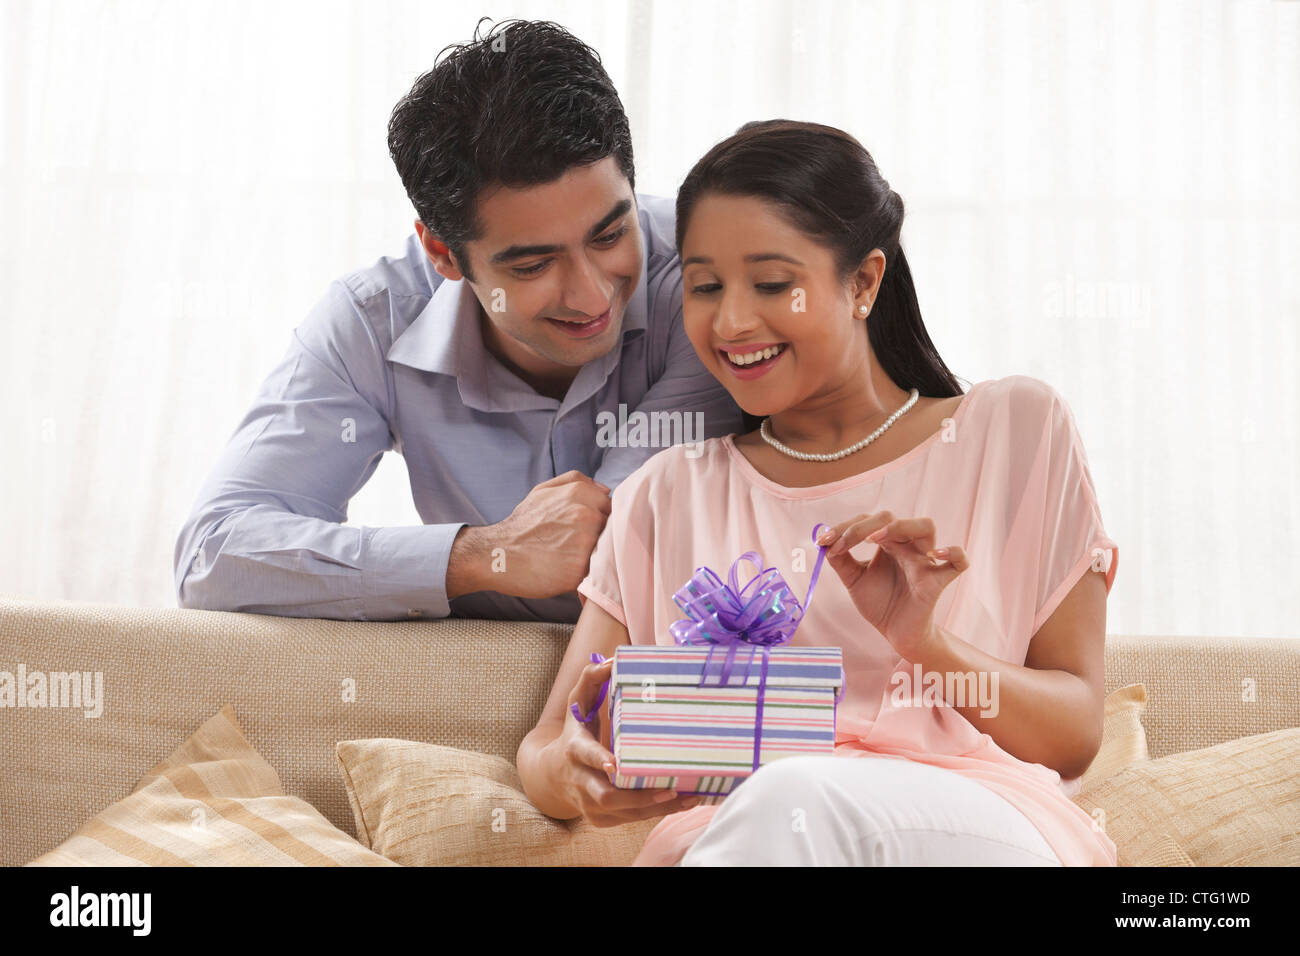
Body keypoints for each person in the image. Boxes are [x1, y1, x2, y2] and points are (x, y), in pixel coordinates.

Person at [516, 119, 1120, 866]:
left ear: (863, 282)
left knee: (791, 796)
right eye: (705, 287)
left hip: (978, 825)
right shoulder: (665, 494)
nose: (732, 321)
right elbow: (547, 744)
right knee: (777, 806)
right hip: (748, 839)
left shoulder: (1013, 430)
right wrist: (575, 772)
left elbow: (1074, 735)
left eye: (773, 284)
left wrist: (924, 644)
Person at [172, 19, 744, 622]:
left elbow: (615, 554)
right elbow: (212, 557)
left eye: (609, 235)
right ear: (443, 253)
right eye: (533, 264)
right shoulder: (374, 322)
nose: (592, 294)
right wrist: (479, 554)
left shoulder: (709, 278)